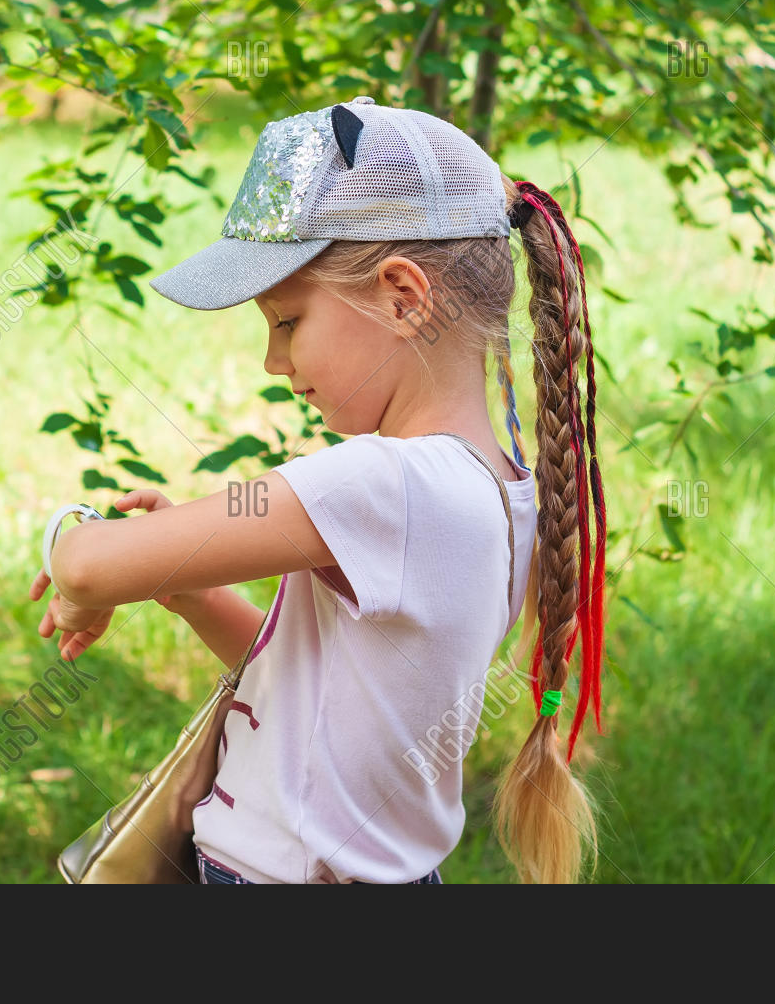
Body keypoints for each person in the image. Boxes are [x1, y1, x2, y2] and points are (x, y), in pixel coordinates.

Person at [30, 96, 607, 884]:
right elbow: (324, 707)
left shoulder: (381, 481)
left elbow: (88, 566)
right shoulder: (504, 493)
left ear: (403, 297)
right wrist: (188, 592)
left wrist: (76, 536)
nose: (275, 361)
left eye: (287, 322)